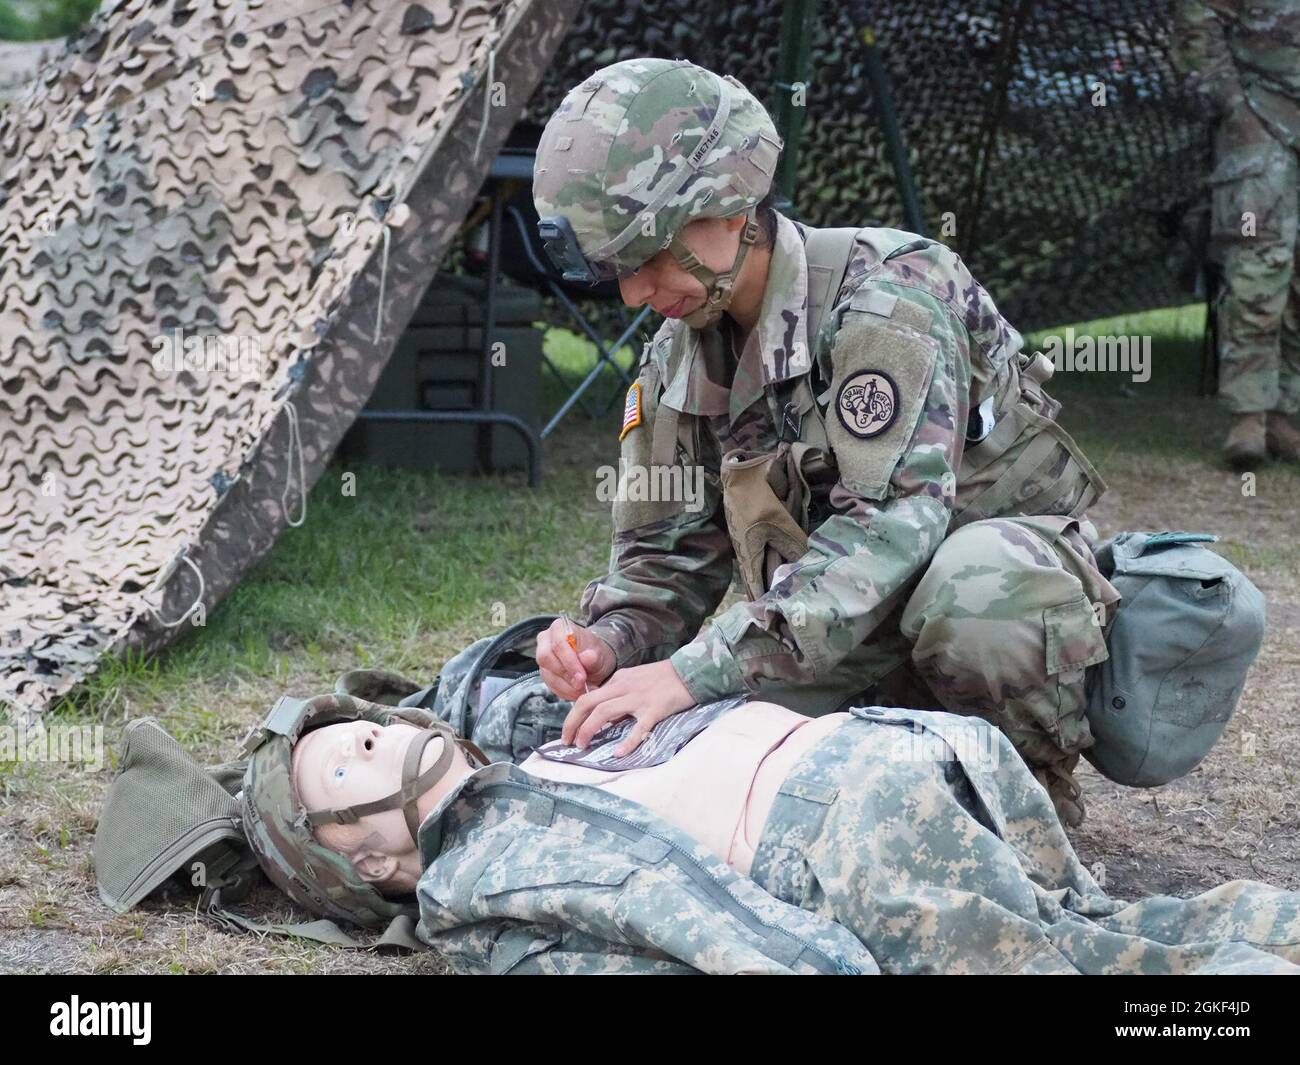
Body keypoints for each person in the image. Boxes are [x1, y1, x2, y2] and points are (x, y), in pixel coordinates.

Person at [529, 57, 1115, 826]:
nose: (635, 293)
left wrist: (695, 671)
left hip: (986, 608)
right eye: (617, 270)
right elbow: (664, 558)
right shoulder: (679, 351)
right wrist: (608, 641)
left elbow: (891, 527)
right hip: (831, 634)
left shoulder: (887, 302)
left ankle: (1027, 799)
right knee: (685, 750)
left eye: (650, 257)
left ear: (731, 207)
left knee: (974, 594)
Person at [283, 698, 1300, 974]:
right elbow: (661, 909)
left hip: (886, 761)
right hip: (857, 832)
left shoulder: (522, 750)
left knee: (1087, 937)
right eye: (348, 759)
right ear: (369, 859)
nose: (374, 732)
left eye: (364, 723)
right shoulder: (474, 882)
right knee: (1096, 945)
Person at [1174, 0, 1300, 467]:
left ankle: (1286, 413)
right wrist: (1232, 104)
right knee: (1257, 267)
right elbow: (1197, 19)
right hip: (1262, 124)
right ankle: (1249, 415)